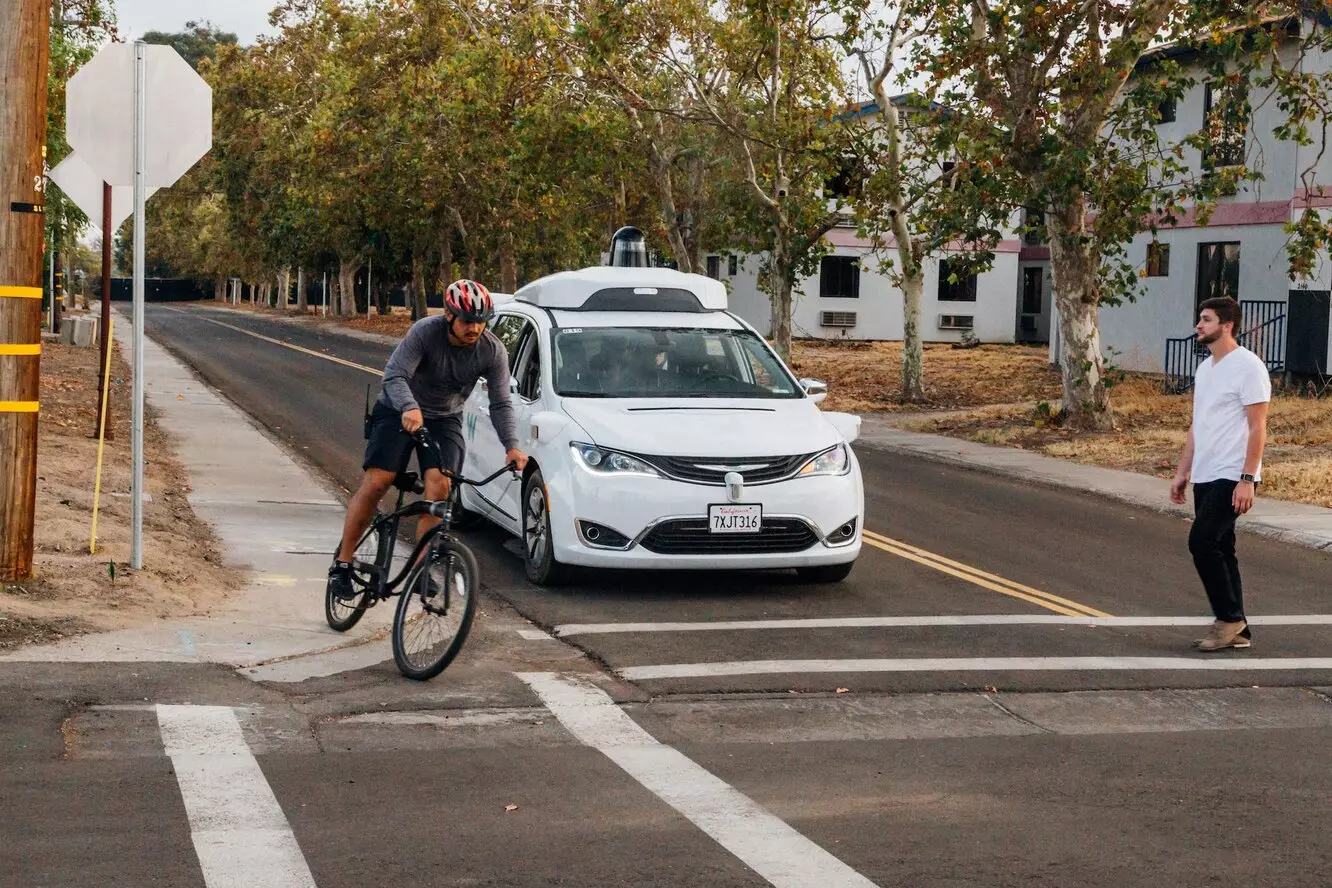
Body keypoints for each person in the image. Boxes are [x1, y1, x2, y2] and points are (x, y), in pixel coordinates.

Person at [327, 279, 528, 600]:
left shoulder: (492, 351)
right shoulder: (425, 332)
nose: (474, 328)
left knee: (440, 488)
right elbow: (395, 375)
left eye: (480, 321)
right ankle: (343, 563)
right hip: (397, 410)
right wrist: (408, 407)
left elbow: (501, 402)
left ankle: (421, 569)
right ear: (449, 315)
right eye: (467, 321)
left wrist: (512, 447)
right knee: (379, 481)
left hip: (445, 420)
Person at [1170, 296, 1271, 652]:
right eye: (1200, 318)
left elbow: (1258, 427)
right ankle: (1238, 628)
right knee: (1222, 546)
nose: (1199, 325)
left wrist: (1248, 478)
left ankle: (1228, 619)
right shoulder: (1205, 369)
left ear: (1226, 325)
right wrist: (1183, 472)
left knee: (1202, 542)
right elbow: (1198, 425)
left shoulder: (1249, 367)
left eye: (1206, 319)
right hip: (1206, 472)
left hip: (1233, 473)